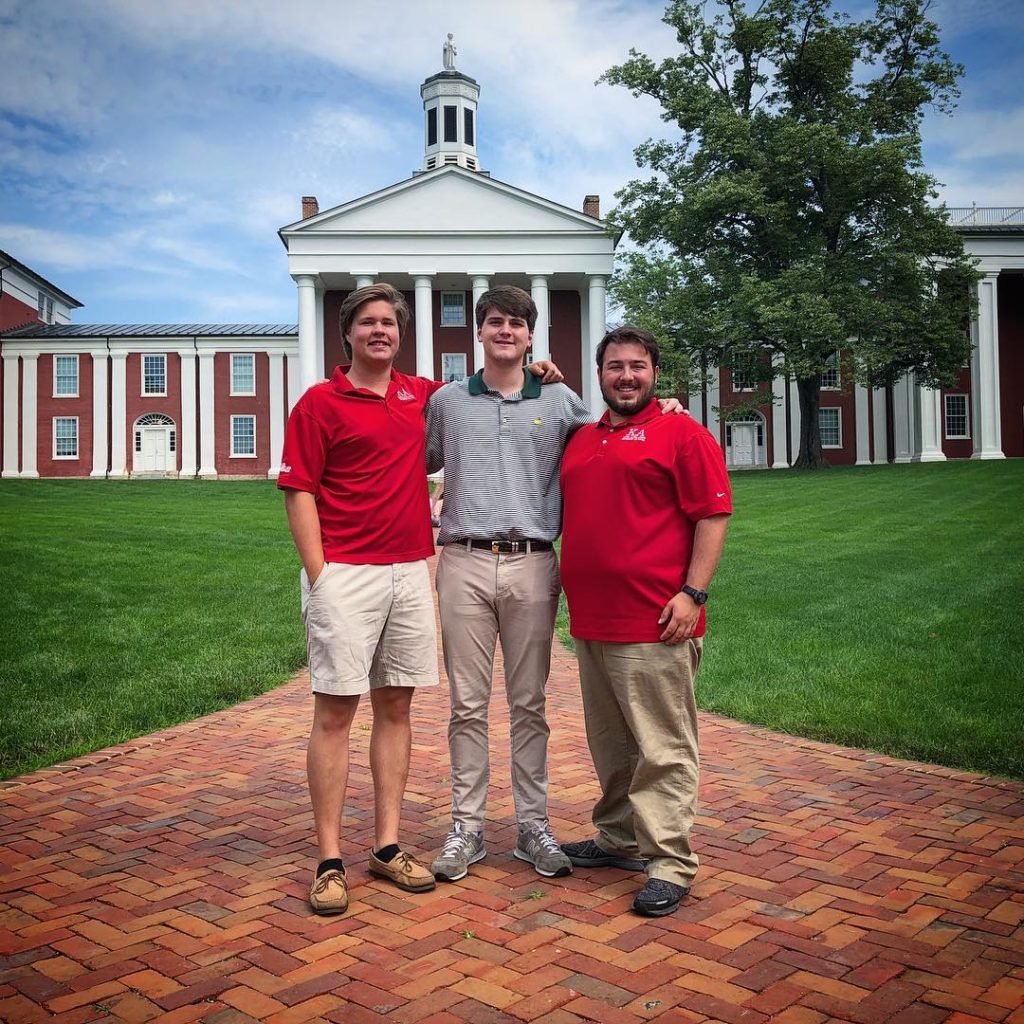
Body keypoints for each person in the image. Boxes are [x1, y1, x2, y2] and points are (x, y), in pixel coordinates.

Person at [279, 283, 562, 915]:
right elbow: (298, 491)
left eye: (389, 323)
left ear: (401, 335)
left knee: (397, 709)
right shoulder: (319, 403)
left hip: (409, 569)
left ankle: (385, 847)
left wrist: (538, 369)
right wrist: (319, 574)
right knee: (334, 713)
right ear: (348, 332)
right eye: (368, 323)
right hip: (345, 572)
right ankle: (328, 858)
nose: (380, 331)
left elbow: (496, 386)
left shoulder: (424, 396)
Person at [558, 325, 732, 918]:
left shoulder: (682, 433)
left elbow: (713, 515)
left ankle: (670, 862)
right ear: (599, 373)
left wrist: (693, 593)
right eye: (614, 366)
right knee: (610, 743)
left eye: (637, 366)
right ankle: (617, 837)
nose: (626, 376)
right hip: (591, 622)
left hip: (658, 620)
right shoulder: (582, 439)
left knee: (662, 747)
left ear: (655, 372)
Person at [425, 286, 589, 881]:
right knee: (466, 705)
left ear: (529, 335)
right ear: (480, 331)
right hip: (464, 562)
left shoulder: (563, 400)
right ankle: (465, 828)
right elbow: (411, 460)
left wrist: (667, 411)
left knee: (530, 702)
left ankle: (532, 825)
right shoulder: (446, 402)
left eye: (517, 324)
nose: (506, 332)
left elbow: (612, 443)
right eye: (495, 322)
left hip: (533, 562)